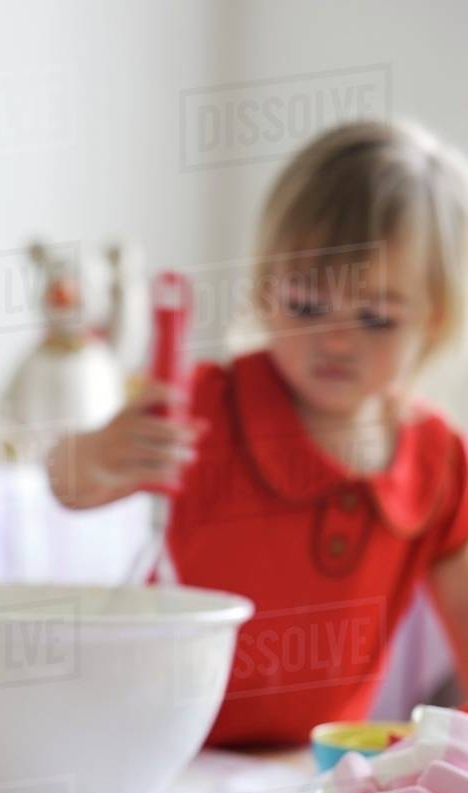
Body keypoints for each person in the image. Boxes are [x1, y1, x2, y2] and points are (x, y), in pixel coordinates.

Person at [50, 120, 468, 747]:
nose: (336, 340)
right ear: (266, 290)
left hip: (304, 771)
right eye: (306, 305)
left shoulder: (438, 459)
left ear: (431, 322)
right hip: (154, 743)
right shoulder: (207, 407)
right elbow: (69, 484)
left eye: (376, 318)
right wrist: (101, 453)